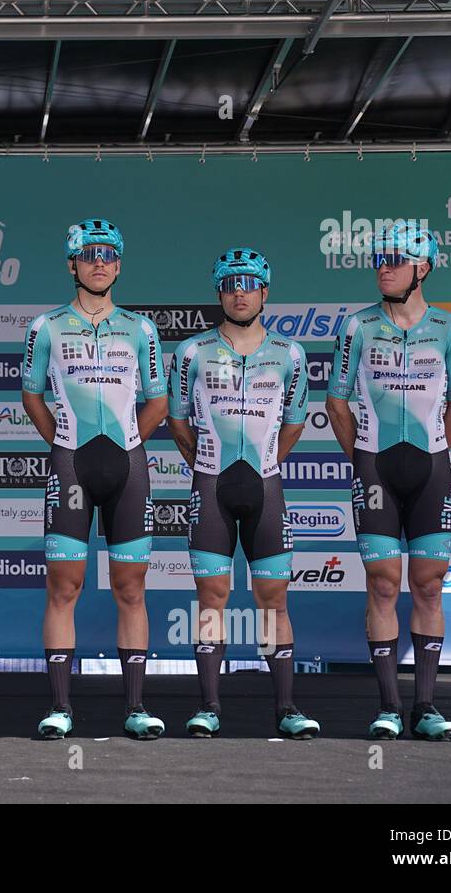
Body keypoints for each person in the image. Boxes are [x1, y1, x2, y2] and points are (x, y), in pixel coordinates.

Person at [21, 219, 168, 739]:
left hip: (127, 466)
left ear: (119, 264)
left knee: (131, 588)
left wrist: (129, 443)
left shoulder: (140, 328)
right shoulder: (47, 326)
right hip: (72, 464)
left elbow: (158, 400)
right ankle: (61, 707)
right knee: (65, 587)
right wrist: (61, 440)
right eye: (89, 255)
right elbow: (32, 396)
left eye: (108, 255)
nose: (99, 263)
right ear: (72, 265)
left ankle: (135, 707)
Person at [326, 220, 451, 741]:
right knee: (384, 584)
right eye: (378, 260)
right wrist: (362, 457)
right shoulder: (357, 326)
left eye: (395, 260)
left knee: (429, 586)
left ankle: (426, 706)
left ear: (423, 268)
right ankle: (388, 705)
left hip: (431, 466)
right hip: (376, 466)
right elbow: (336, 400)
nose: (382, 268)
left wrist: (438, 451)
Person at [168, 248, 318, 738]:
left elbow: (294, 423)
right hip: (211, 482)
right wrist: (206, 463)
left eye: (249, 284)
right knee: (211, 597)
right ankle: (209, 706)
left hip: (265, 485)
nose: (239, 292)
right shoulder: (191, 352)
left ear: (264, 292)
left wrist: (264, 464)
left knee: (273, 598)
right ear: (219, 292)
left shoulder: (290, 354)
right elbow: (177, 419)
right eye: (231, 284)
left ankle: (288, 708)